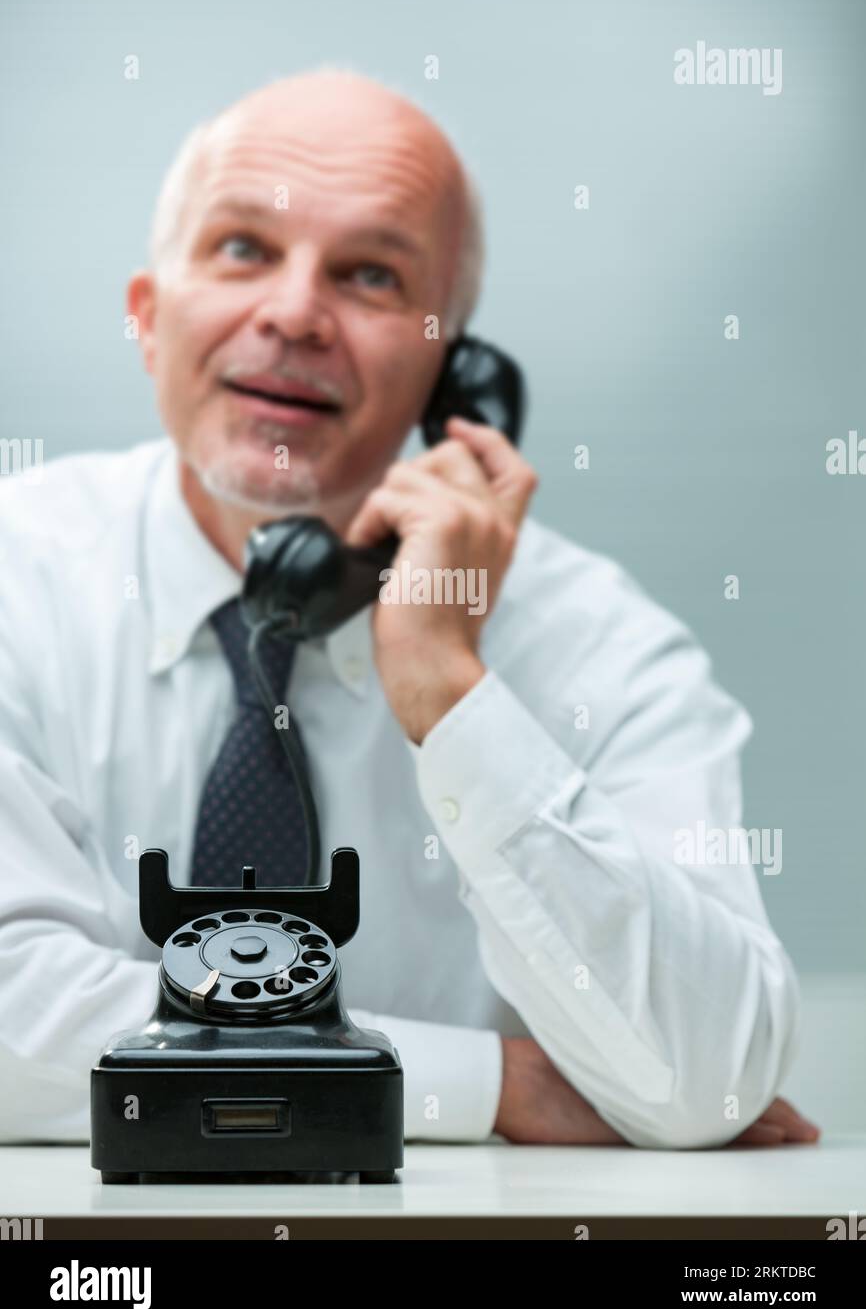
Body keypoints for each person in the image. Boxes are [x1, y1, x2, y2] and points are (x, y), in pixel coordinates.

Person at [0, 67, 819, 1150]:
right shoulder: (20, 575)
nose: (293, 313)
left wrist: (450, 691)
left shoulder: (606, 646)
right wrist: (478, 1085)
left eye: (370, 275)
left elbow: (706, 1079)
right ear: (148, 317)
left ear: (452, 377)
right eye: (243, 248)